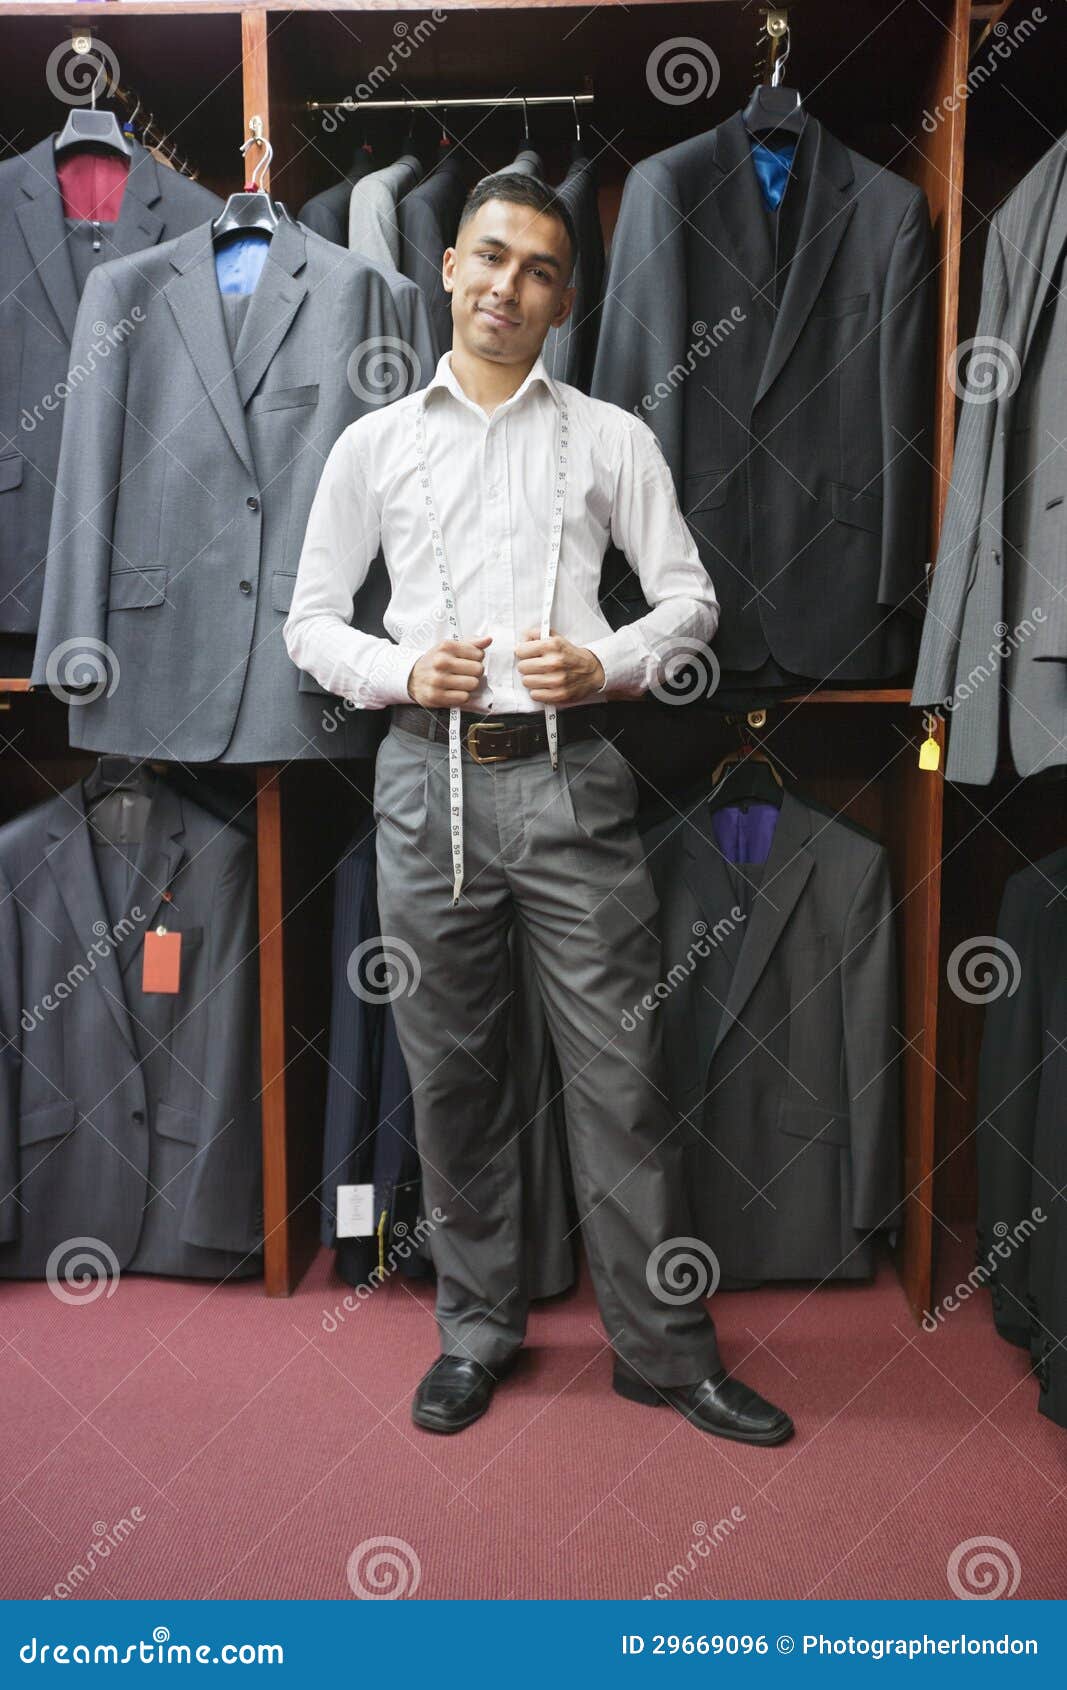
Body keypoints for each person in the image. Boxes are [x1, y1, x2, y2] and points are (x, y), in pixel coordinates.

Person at [284, 172, 793, 1447]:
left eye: (539, 270)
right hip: (423, 781)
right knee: (451, 1077)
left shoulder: (612, 435)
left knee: (620, 1075)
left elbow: (687, 603)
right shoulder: (373, 444)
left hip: (574, 776)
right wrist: (400, 672)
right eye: (491, 259)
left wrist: (609, 659)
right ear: (448, 268)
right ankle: (475, 1330)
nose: (508, 286)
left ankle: (662, 1352)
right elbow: (306, 621)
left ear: (564, 300)